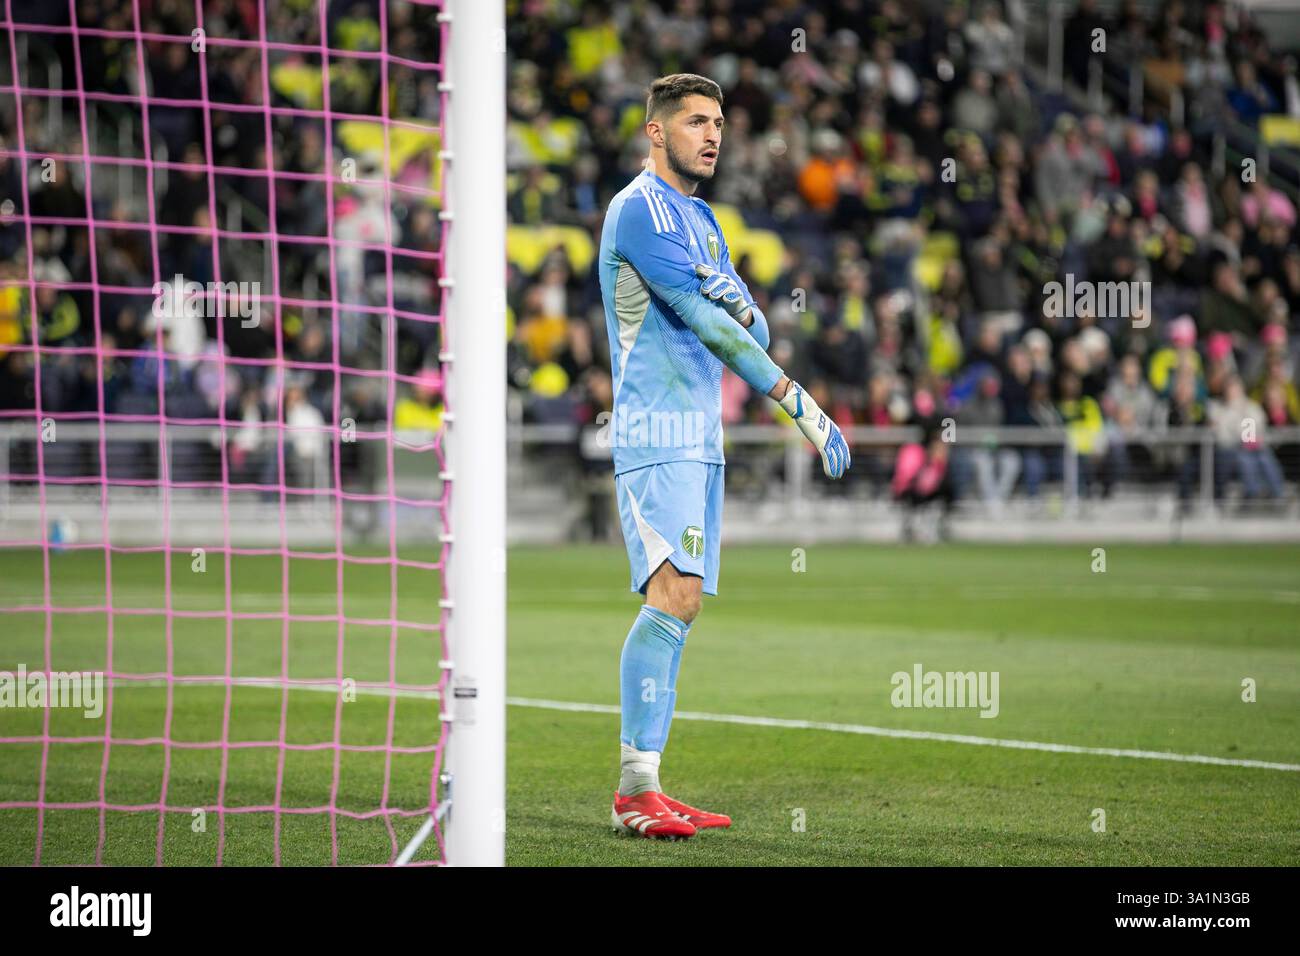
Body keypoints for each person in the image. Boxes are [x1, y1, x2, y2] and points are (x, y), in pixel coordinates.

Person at [597, 74, 851, 840]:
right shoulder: (637, 210)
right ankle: (632, 791)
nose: (712, 135)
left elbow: (754, 324)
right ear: (656, 130)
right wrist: (797, 401)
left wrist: (735, 305)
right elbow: (712, 324)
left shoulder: (703, 220)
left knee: (684, 603)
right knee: (668, 595)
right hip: (654, 436)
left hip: (700, 440)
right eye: (696, 122)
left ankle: (647, 783)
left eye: (719, 123)